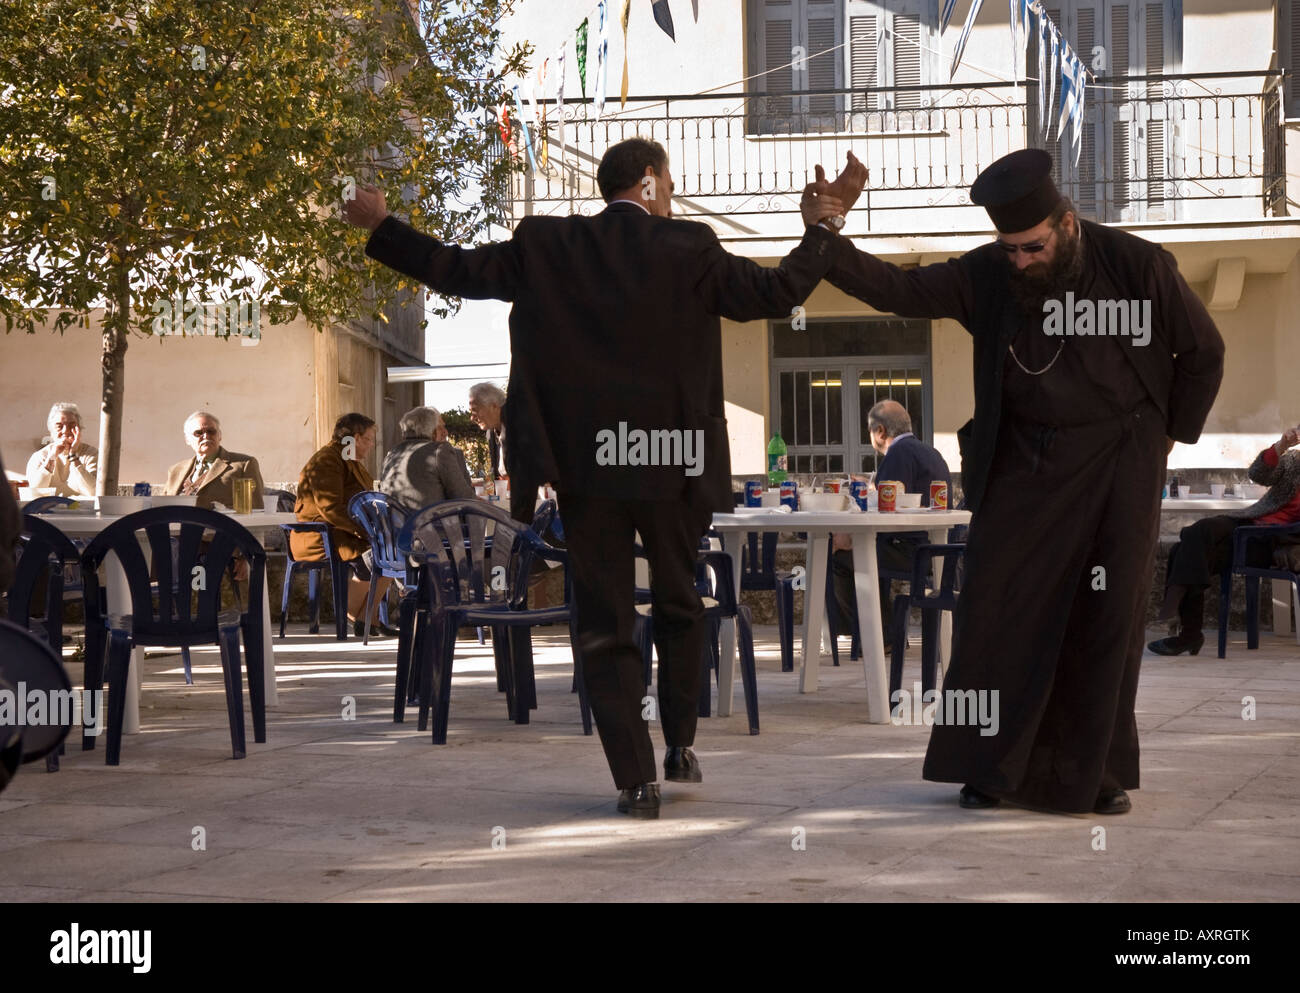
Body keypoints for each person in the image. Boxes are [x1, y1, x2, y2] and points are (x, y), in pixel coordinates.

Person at [345, 136, 849, 818]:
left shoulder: (547, 245)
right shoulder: (691, 249)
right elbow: (776, 291)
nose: (671, 198)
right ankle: (680, 742)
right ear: (648, 181)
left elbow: (454, 270)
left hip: (589, 470)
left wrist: (382, 226)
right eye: (668, 185)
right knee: (678, 601)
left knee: (605, 621)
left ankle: (635, 778)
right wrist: (820, 228)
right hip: (672, 464)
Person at [817, 148, 1225, 815]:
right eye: (1009, 249)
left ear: (1064, 225)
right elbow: (900, 291)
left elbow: (1203, 354)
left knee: (1105, 620)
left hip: (1119, 461)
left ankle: (1094, 775)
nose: (1021, 261)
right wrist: (831, 234)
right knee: (1000, 615)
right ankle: (990, 769)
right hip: (1023, 464)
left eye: (1032, 248)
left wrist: (1170, 437)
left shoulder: (1137, 265)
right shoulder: (990, 275)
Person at [1150, 425, 1300, 655]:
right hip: (1248, 523)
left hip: (1270, 543)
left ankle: (1186, 631)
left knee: (1183, 550)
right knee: (1196, 536)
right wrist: (1281, 446)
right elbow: (1258, 474)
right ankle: (1185, 628)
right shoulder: (1293, 462)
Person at [831, 400, 952, 651]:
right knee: (866, 555)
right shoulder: (929, 452)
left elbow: (885, 515)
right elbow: (902, 496)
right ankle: (886, 634)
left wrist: (850, 540)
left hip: (913, 552)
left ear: (880, 432)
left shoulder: (897, 454)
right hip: (938, 549)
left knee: (839, 557)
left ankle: (879, 637)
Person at [290, 412, 396, 638]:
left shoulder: (350, 461)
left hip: (344, 535)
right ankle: (357, 617)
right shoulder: (328, 460)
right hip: (322, 537)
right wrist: (367, 532)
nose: (370, 446)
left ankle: (367, 619)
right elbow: (330, 508)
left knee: (391, 552)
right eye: (368, 439)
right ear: (355, 438)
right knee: (382, 554)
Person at [163, 411, 265, 509]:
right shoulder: (175, 470)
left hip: (218, 525)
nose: (206, 436)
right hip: (176, 525)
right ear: (187, 439)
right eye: (198, 433)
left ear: (219, 436)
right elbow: (161, 505)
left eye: (211, 431)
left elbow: (256, 507)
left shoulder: (243, 465)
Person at [379, 405, 475, 508]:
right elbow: (464, 497)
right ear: (433, 432)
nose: (445, 432)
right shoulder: (439, 451)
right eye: (440, 427)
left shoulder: (392, 454)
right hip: (431, 522)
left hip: (394, 523)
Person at [25, 403, 98, 497]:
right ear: (51, 431)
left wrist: (73, 456)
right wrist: (52, 456)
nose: (65, 431)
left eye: (72, 426)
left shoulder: (91, 454)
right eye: (59, 426)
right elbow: (35, 493)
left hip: (83, 510)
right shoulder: (40, 456)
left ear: (79, 429)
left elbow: (94, 492)